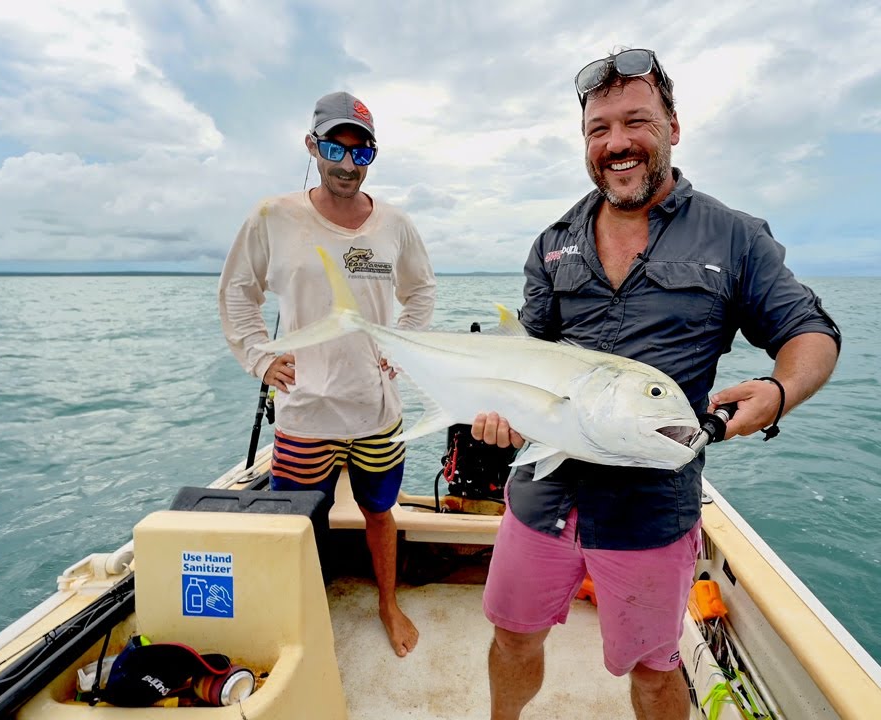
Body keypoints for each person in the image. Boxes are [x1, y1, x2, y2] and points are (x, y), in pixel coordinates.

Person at [473, 48, 842, 719]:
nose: (616, 143)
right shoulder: (554, 241)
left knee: (652, 669)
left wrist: (780, 391)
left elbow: (810, 332)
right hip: (542, 492)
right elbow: (531, 354)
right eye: (599, 128)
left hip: (649, 511)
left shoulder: (734, 238)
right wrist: (497, 404)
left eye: (635, 122)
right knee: (512, 637)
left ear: (673, 126)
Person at [218, 91, 436, 658]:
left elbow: (421, 291)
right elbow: (238, 289)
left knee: (380, 511)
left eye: (361, 152)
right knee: (296, 522)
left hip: (376, 408)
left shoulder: (395, 225)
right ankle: (302, 616)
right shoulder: (273, 216)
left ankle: (388, 603)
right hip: (305, 411)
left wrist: (403, 345)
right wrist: (259, 357)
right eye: (335, 148)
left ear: (372, 156)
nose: (347, 164)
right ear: (312, 146)